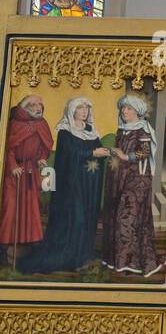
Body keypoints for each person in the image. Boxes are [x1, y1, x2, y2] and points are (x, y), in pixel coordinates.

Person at [17, 96, 110, 274]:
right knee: (77, 219)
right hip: (71, 185)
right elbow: (68, 156)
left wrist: (104, 152)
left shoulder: (91, 130)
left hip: (89, 184)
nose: (84, 111)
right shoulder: (65, 132)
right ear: (72, 110)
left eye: (86, 108)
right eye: (80, 108)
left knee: (88, 218)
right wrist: (92, 152)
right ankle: (69, 257)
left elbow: (97, 151)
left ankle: (82, 257)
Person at [102, 94, 162, 277]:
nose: (124, 111)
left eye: (128, 108)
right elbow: (119, 151)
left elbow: (143, 152)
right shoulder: (122, 130)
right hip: (120, 177)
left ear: (137, 111)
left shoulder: (142, 130)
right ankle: (119, 262)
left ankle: (133, 262)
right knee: (115, 217)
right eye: (123, 108)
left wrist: (126, 157)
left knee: (127, 218)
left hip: (137, 180)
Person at [0, 95, 53, 259]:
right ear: (26, 108)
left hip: (31, 171)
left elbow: (46, 145)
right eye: (34, 105)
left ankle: (32, 245)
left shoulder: (42, 124)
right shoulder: (14, 124)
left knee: (31, 207)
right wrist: (13, 166)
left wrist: (43, 157)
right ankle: (3, 247)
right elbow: (7, 148)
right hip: (14, 172)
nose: (38, 108)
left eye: (40, 104)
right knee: (11, 207)